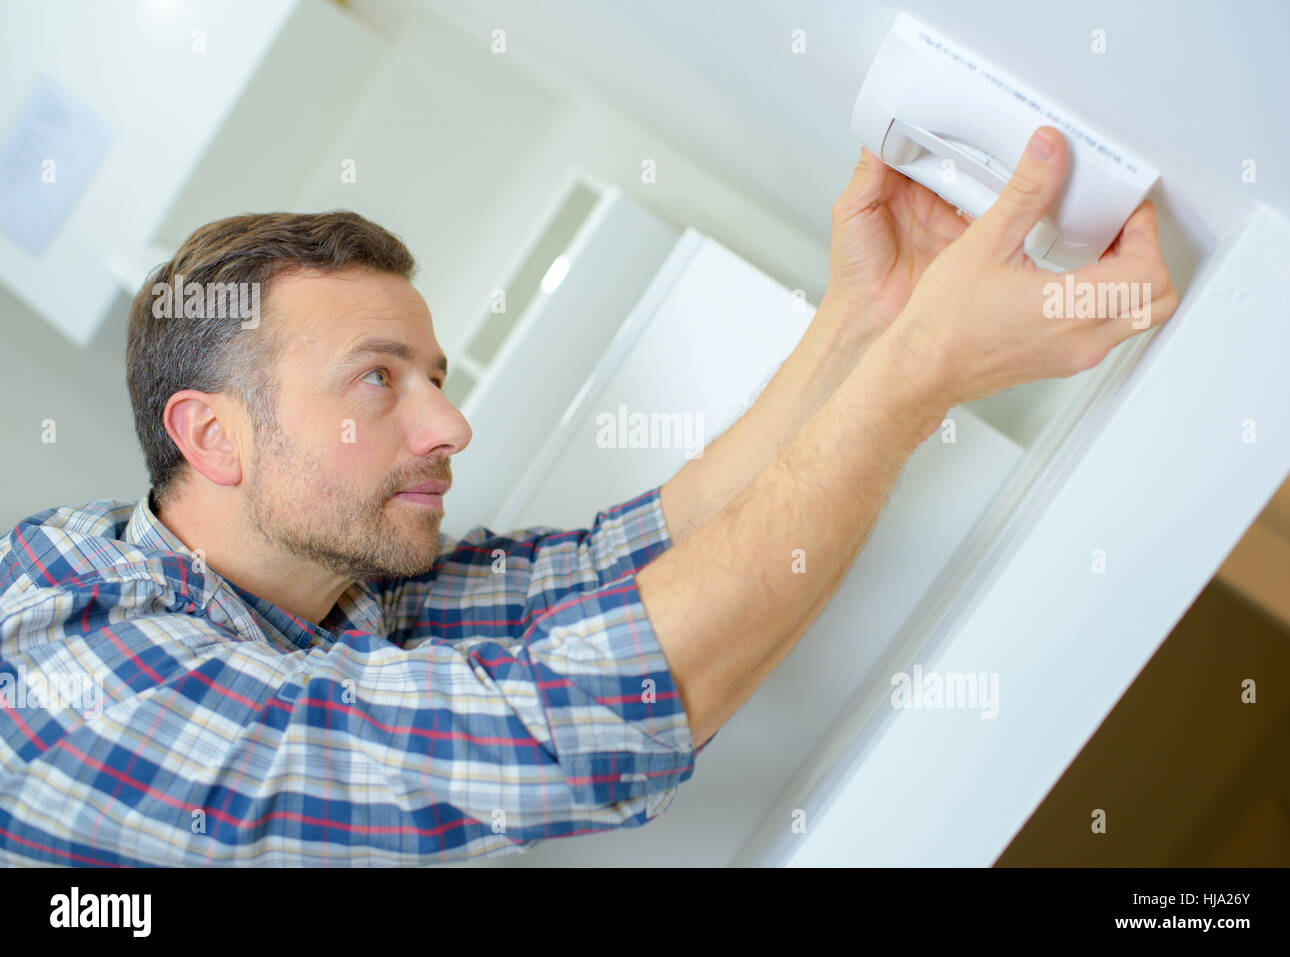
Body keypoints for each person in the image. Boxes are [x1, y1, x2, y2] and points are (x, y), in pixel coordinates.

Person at [0, 126, 1177, 865]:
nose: (449, 425)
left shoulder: (322, 585)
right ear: (213, 436)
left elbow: (624, 563)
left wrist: (866, 322)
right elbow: (559, 734)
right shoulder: (81, 686)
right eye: (378, 380)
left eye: (434, 379)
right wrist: (918, 380)